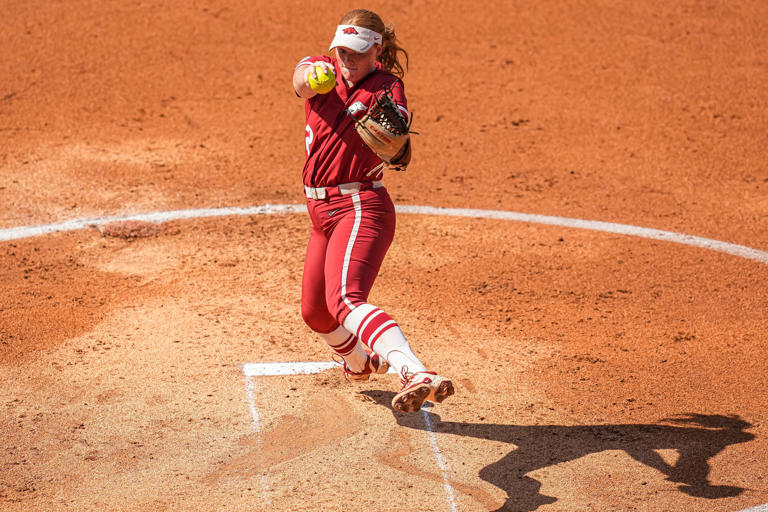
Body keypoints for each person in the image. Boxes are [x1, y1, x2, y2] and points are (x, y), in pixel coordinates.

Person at [292, 8, 454, 413]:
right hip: (320, 212)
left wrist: (390, 126)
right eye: (342, 51)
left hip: (360, 206)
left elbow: (397, 119)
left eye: (357, 53)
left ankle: (414, 371)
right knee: (315, 312)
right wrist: (313, 78)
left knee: (346, 300)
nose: (347, 60)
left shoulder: (386, 86)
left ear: (376, 50)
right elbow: (300, 78)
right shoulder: (321, 68)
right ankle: (361, 362)